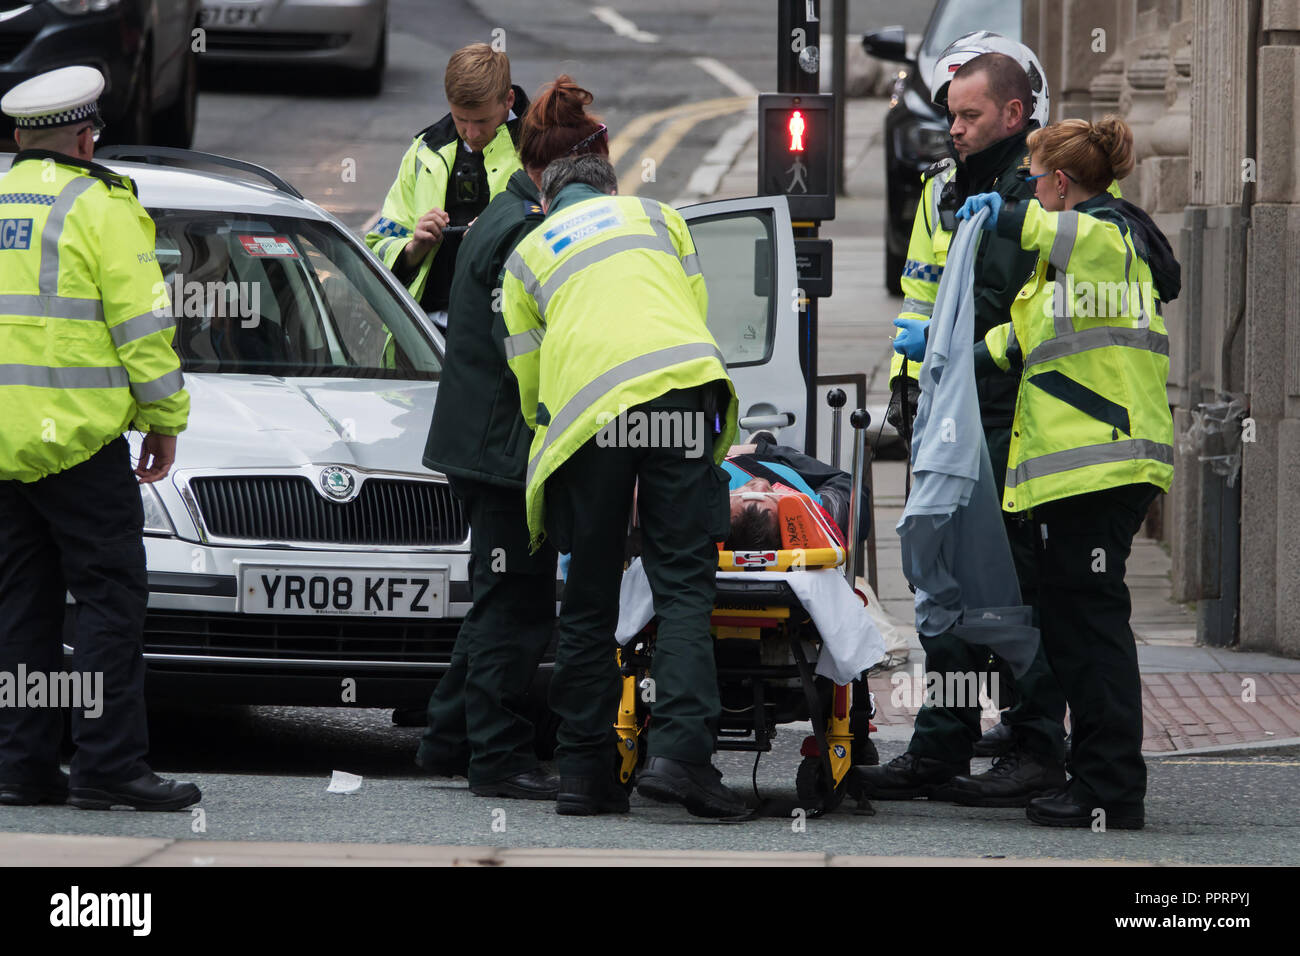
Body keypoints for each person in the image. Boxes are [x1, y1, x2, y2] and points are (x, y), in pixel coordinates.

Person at [501, 154, 746, 818]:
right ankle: (681, 759)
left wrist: (567, 446)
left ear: (549, 203)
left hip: (590, 416)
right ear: (610, 189)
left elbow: (530, 379)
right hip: (679, 393)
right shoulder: (658, 217)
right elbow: (691, 310)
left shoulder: (527, 255)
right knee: (683, 585)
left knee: (588, 599)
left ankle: (583, 772)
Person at [861, 39, 1070, 808]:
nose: (953, 128)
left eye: (970, 115)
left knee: (1012, 590)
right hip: (945, 415)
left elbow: (1020, 323)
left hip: (1008, 418)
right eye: (951, 115)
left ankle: (1036, 743)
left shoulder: (1034, 193)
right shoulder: (945, 188)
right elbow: (919, 299)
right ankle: (943, 743)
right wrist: (908, 388)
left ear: (1013, 114)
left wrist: (949, 360)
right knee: (942, 588)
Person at [957, 116, 1177, 829]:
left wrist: (1002, 211)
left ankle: (1110, 788)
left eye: (1032, 178)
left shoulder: (1106, 237)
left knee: (1092, 634)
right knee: (1077, 630)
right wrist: (947, 352)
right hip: (1080, 478)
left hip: (1100, 473)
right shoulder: (1077, 264)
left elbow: (1047, 232)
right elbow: (1025, 336)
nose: (1025, 190)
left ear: (1059, 183)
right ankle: (1098, 778)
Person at [0, 67, 200, 811]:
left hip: (5, 448)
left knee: (24, 605)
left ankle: (21, 762)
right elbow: (143, 327)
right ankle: (108, 763)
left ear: (23, 140)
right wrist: (164, 420)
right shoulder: (100, 205)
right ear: (85, 137)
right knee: (110, 600)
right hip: (79, 446)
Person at [415, 76, 609, 801]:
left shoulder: (504, 210)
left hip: (481, 441)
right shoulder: (530, 229)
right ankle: (497, 757)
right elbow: (531, 350)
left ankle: (447, 736)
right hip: (502, 450)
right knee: (518, 605)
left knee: (500, 594)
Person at [365, 43, 529, 332]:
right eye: (460, 119)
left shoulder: (536, 151)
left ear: (509, 100)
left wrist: (498, 236)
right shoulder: (423, 151)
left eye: (482, 120)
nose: (472, 132)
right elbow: (378, 244)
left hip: (503, 334)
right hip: (427, 333)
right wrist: (413, 247)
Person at [723, 435, 858, 550]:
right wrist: (760, 449)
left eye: (745, 495)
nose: (761, 484)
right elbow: (851, 489)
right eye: (772, 495)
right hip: (765, 458)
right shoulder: (812, 508)